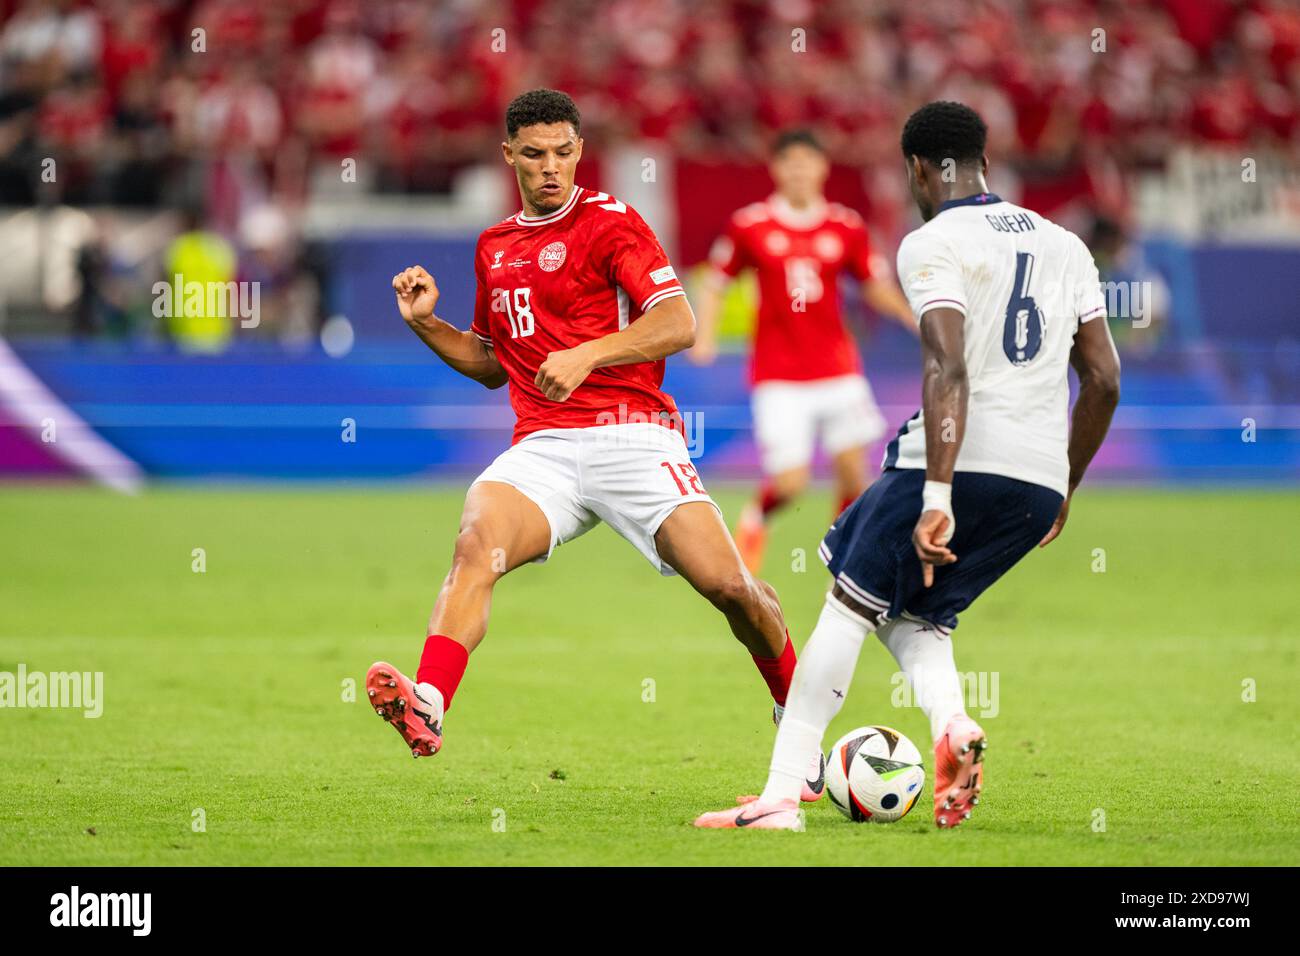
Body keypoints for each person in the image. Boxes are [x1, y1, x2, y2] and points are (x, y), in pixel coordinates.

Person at [367, 89, 822, 802]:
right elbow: (494, 362)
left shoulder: (612, 223)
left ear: (579, 150)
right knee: (474, 545)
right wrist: (428, 324)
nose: (552, 167)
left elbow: (679, 321)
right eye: (536, 154)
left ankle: (799, 721)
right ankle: (429, 699)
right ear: (509, 155)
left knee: (733, 589)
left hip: (631, 435)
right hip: (543, 446)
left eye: (564, 152)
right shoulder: (494, 246)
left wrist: (590, 354)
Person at [694, 100, 1121, 830]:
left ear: (918, 169)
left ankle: (782, 793)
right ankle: (953, 725)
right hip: (1039, 478)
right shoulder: (1066, 245)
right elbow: (1105, 378)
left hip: (958, 458)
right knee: (920, 615)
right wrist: (1067, 485)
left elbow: (947, 367)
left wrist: (939, 491)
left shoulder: (933, 241)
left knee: (847, 601)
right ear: (984, 161)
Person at [689, 129, 917, 573]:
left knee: (855, 476)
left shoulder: (845, 225)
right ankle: (756, 519)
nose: (798, 171)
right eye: (789, 162)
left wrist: (911, 316)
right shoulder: (750, 224)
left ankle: (846, 558)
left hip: (837, 369)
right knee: (791, 484)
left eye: (807, 162)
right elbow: (715, 282)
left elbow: (874, 285)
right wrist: (707, 336)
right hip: (779, 374)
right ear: (776, 168)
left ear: (822, 168)